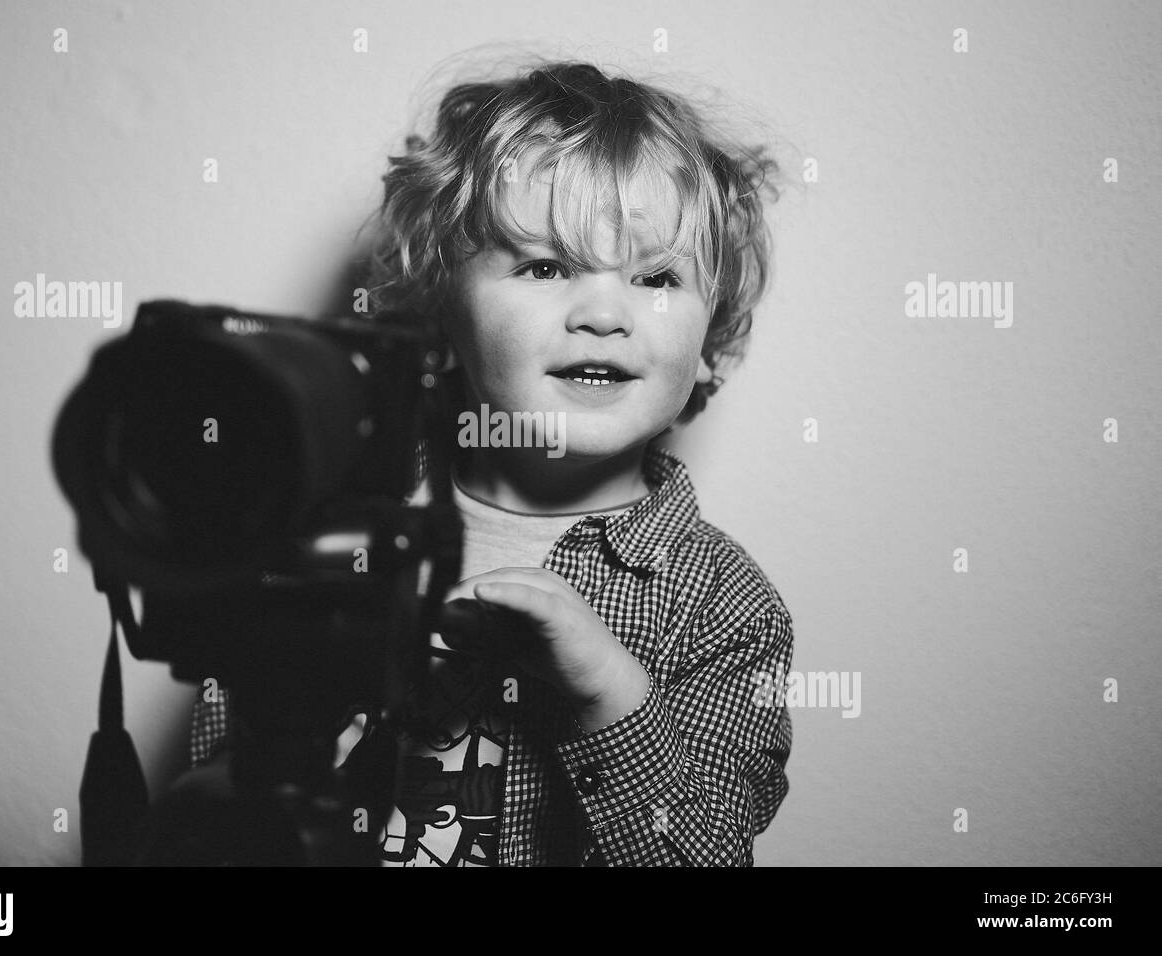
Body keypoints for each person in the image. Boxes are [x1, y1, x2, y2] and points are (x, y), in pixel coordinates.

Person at [191, 58, 794, 867]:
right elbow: (212, 801)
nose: (605, 314)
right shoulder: (333, 529)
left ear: (711, 341)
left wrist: (605, 689)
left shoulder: (725, 607)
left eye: (656, 277)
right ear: (442, 313)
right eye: (544, 267)